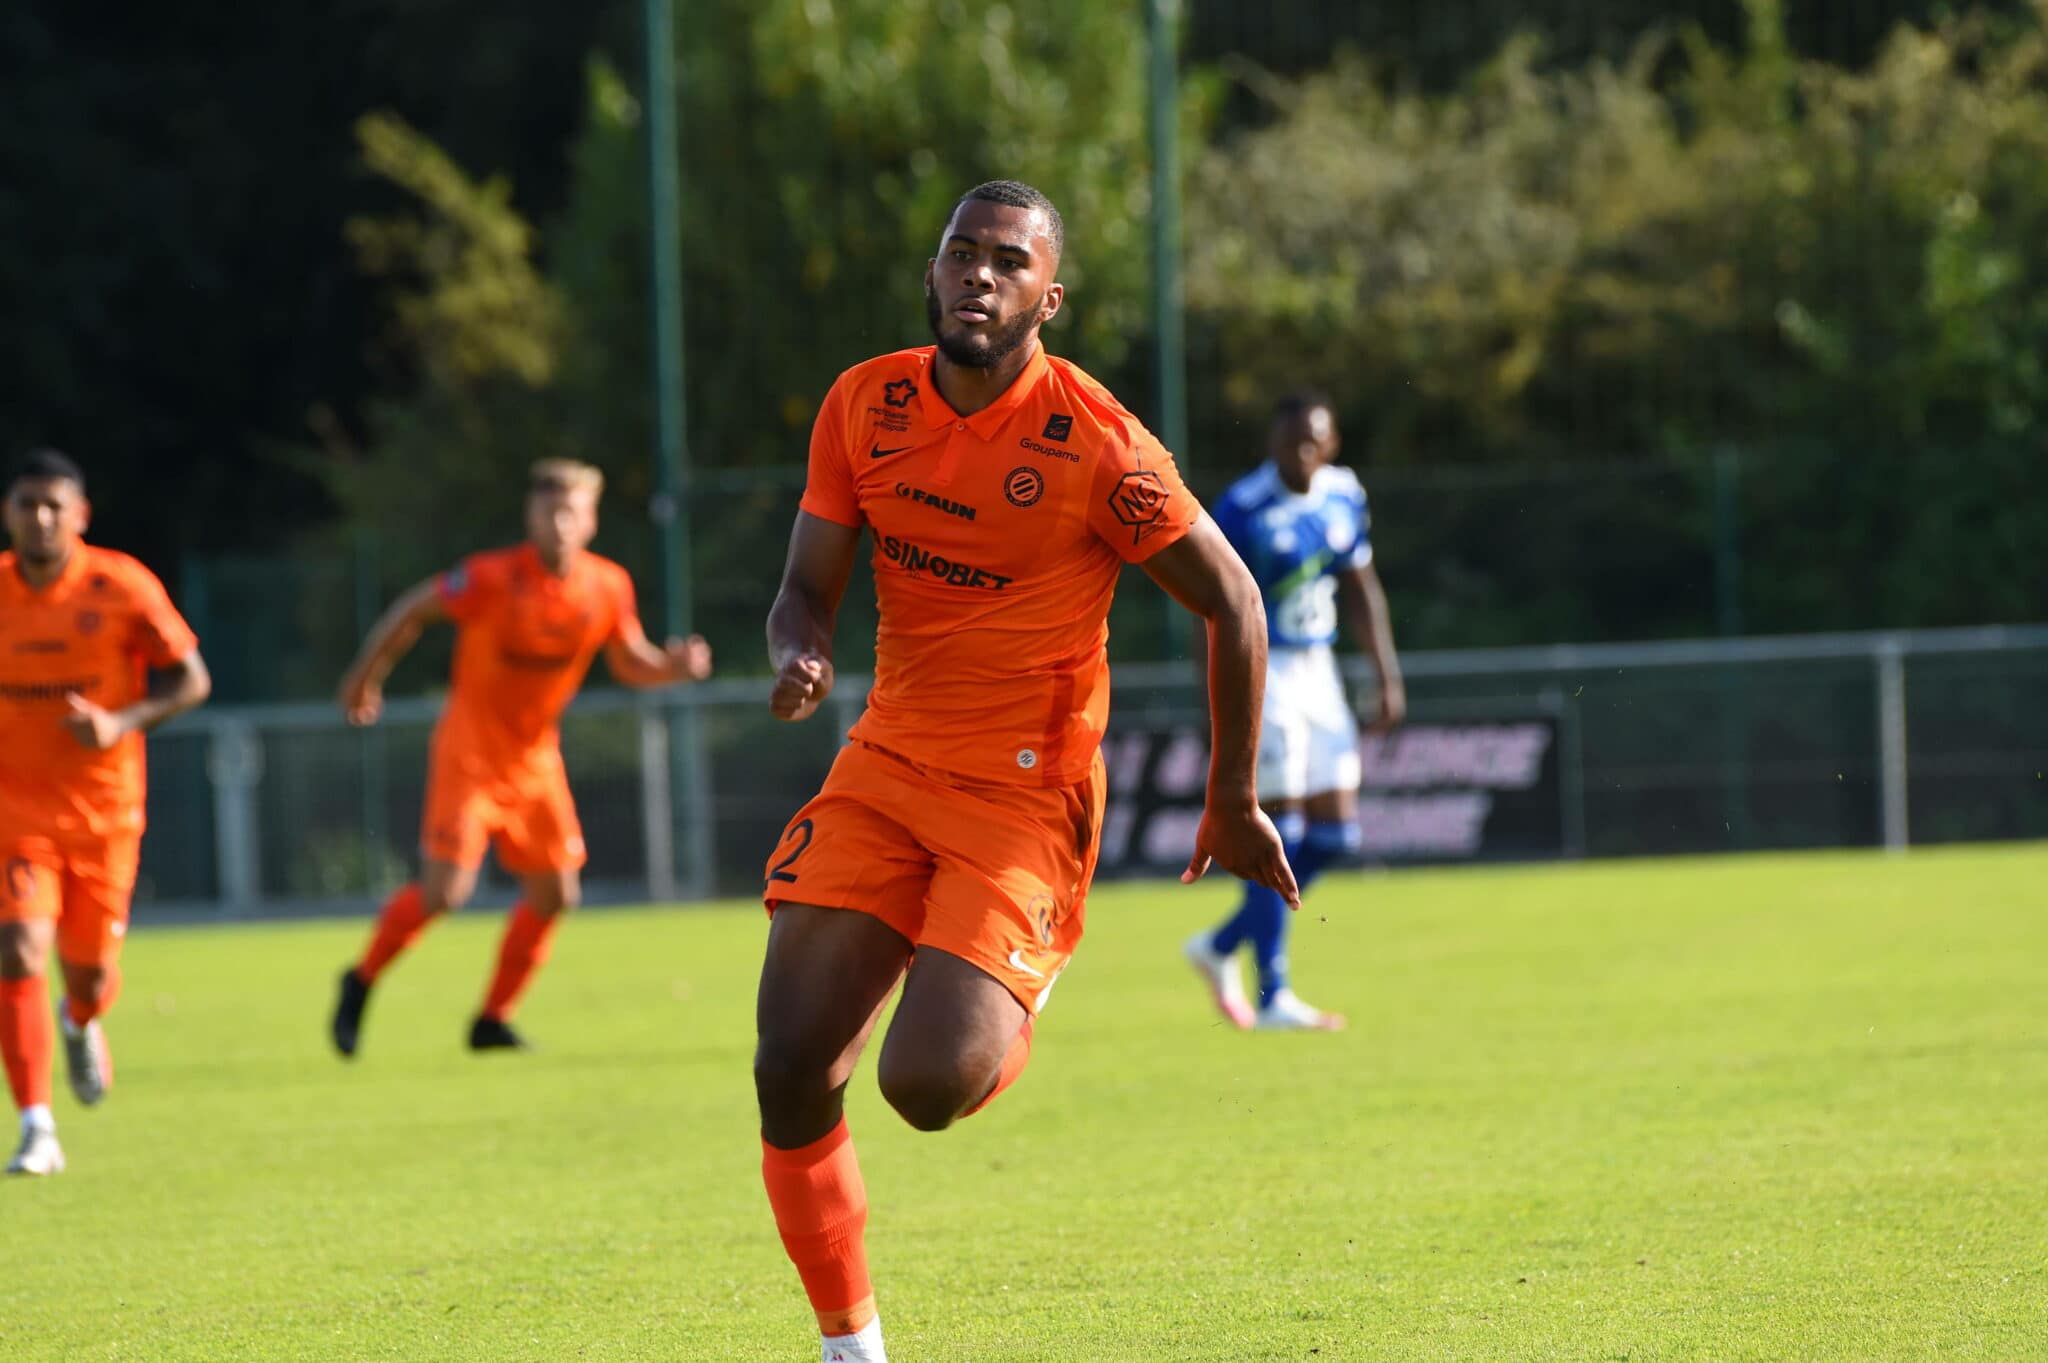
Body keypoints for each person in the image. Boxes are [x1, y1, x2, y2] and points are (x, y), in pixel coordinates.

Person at [752, 179, 1297, 1363]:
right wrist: (799, 647)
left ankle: (1014, 989)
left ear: (1049, 296)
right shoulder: (863, 402)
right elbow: (805, 589)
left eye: (1007, 261)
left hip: (1022, 798)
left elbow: (1235, 603)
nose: (977, 275)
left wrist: (1231, 797)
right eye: (961, 253)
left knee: (926, 1087)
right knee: (789, 1065)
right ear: (934, 271)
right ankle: (854, 1350)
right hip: (886, 764)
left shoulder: (1096, 438)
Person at [327, 459, 711, 1057]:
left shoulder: (607, 585)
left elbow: (630, 660)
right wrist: (364, 678)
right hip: (469, 755)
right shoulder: (489, 578)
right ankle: (361, 978)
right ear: (530, 516)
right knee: (445, 893)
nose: (558, 522)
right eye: (547, 509)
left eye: (571, 511)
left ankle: (491, 1021)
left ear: (591, 521)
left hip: (536, 761)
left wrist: (674, 669)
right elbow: (412, 611)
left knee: (556, 894)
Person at [1, 450, 212, 1176]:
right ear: (10, 512)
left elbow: (192, 678)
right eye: (28, 503)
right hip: (15, 812)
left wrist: (123, 721)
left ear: (81, 514)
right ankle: (36, 1124)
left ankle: (79, 1019)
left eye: (55, 504)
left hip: (104, 815)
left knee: (87, 974)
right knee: (19, 949)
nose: (41, 517)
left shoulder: (119, 584)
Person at [1183, 393, 1405, 1031]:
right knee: (1278, 833)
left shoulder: (1344, 495)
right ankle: (1272, 993)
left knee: (1337, 837)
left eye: (1313, 442)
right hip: (1266, 674)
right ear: (1273, 444)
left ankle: (1220, 945)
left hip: (1320, 670)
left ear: (1330, 444)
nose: (1300, 454)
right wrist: (1218, 700)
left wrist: (1385, 674)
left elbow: (1361, 586)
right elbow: (1213, 610)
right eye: (1289, 442)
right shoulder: (1244, 508)